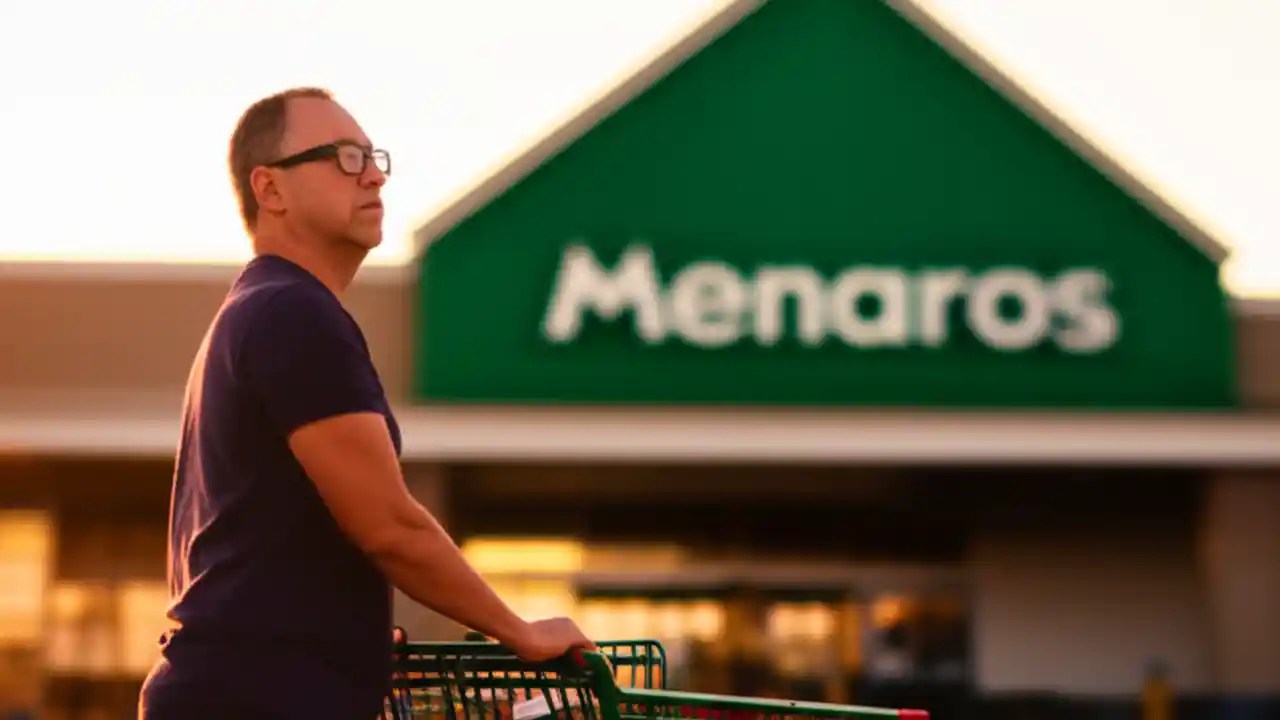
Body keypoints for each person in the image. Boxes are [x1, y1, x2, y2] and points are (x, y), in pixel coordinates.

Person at [137, 87, 594, 719]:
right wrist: (519, 630)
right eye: (344, 158)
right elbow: (388, 525)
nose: (374, 175)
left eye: (373, 158)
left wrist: (349, 634)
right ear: (270, 188)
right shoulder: (292, 313)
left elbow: (264, 539)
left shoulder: (257, 311)